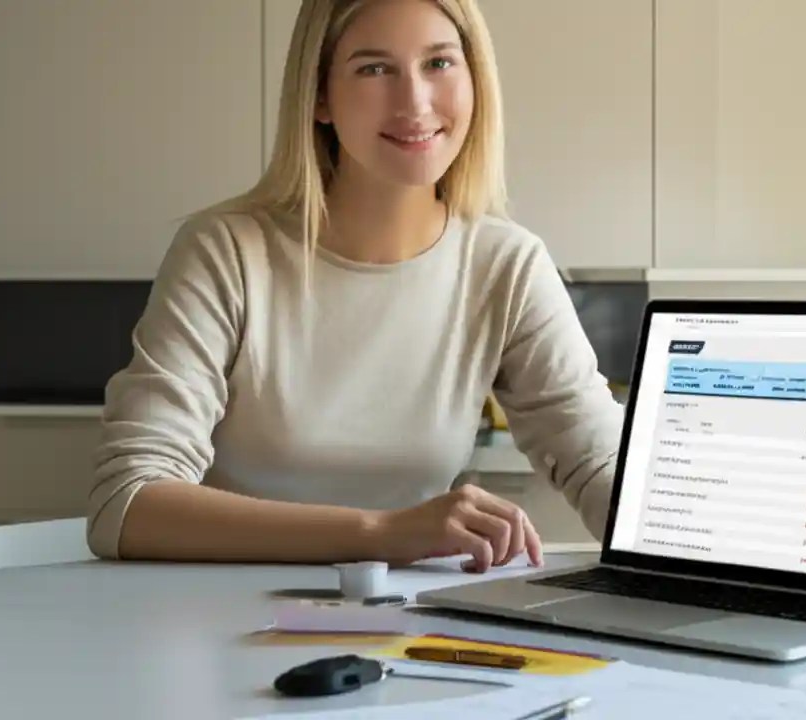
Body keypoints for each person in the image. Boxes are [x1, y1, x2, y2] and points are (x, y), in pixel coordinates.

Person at [85, 0, 624, 573]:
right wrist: (380, 532)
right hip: (211, 620)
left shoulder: (507, 264)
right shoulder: (227, 251)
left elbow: (597, 461)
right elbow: (127, 503)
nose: (415, 102)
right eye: (373, 69)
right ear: (319, 97)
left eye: (439, 63)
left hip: (402, 626)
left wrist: (703, 559)